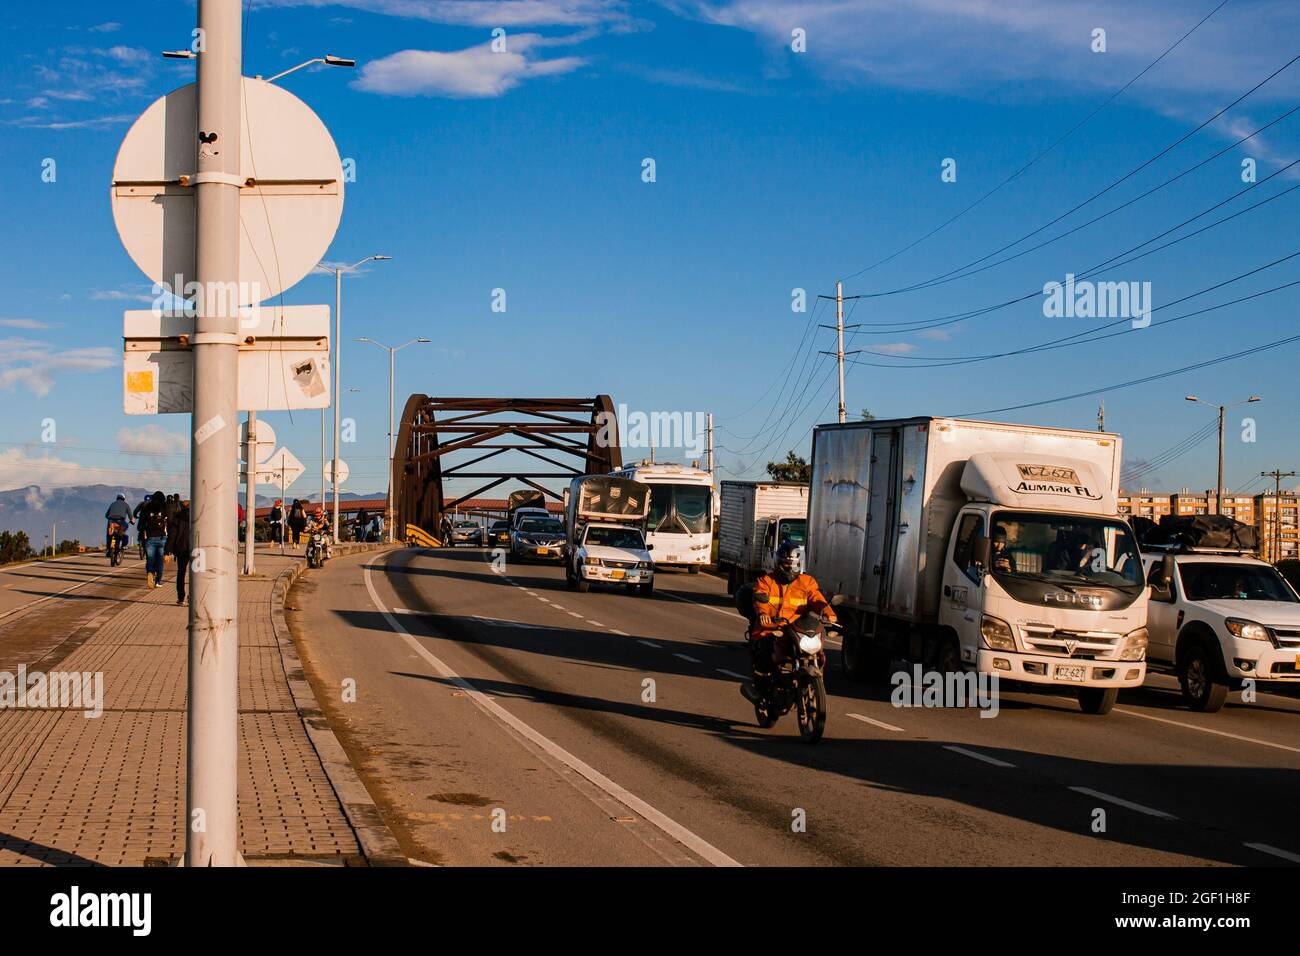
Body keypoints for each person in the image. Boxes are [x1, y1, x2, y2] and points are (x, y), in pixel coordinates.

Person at [741, 541, 837, 705]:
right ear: (778, 563)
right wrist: (763, 613)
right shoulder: (766, 581)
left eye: (793, 565)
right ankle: (760, 691)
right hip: (771, 629)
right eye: (786, 565)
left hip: (798, 630)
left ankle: (812, 683)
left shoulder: (807, 582)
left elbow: (817, 599)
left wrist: (828, 613)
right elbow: (760, 598)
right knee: (764, 652)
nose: (790, 568)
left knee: (817, 651)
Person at [138, 491, 169, 588]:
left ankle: (150, 573)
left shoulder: (146, 508)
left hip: (150, 537)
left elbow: (140, 526)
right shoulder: (165, 508)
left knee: (150, 559)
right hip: (162, 538)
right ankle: (158, 581)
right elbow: (170, 523)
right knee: (160, 560)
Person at [166, 499, 192, 605]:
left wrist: (168, 551)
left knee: (181, 572)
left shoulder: (177, 518)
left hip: (181, 549)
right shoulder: (197, 517)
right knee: (195, 573)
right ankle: (193, 595)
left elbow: (172, 535)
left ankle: (181, 597)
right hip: (195, 548)